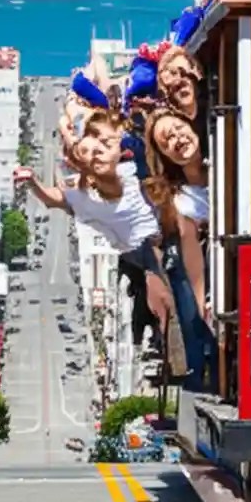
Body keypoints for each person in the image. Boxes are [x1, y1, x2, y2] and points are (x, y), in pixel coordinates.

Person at [14, 109, 188, 377]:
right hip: (139, 254)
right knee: (163, 299)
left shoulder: (132, 170)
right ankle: (178, 360)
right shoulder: (83, 196)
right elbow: (51, 199)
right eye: (88, 155)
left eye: (100, 149)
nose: (96, 155)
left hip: (167, 235)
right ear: (84, 169)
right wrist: (32, 181)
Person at [144, 107, 215, 390]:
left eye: (177, 129)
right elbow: (189, 258)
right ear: (164, 157)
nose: (177, 139)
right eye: (166, 141)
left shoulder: (229, 159)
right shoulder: (178, 203)